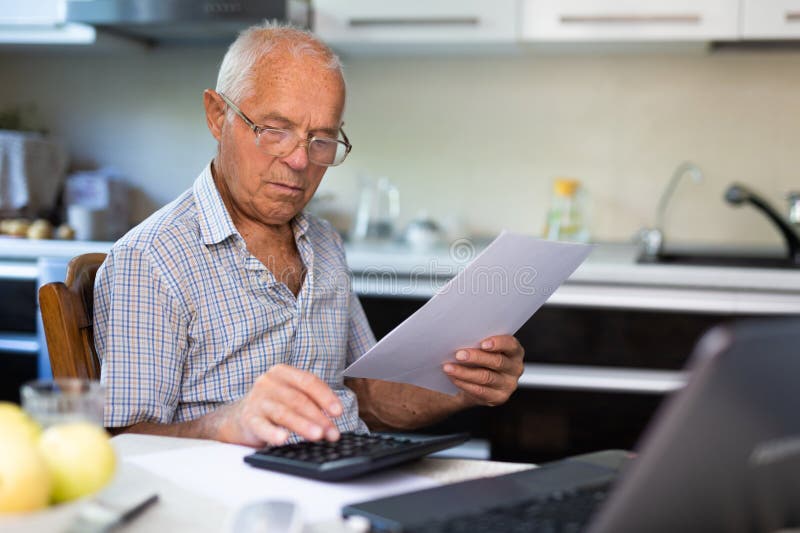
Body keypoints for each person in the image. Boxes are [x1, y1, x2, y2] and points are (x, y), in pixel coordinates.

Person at [94, 22, 524, 447]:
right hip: (229, 505)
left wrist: (461, 385)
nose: (300, 160)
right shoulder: (149, 258)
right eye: (275, 130)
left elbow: (365, 400)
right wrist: (226, 424)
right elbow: (125, 443)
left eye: (322, 139)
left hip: (338, 485)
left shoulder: (324, 242)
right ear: (217, 114)